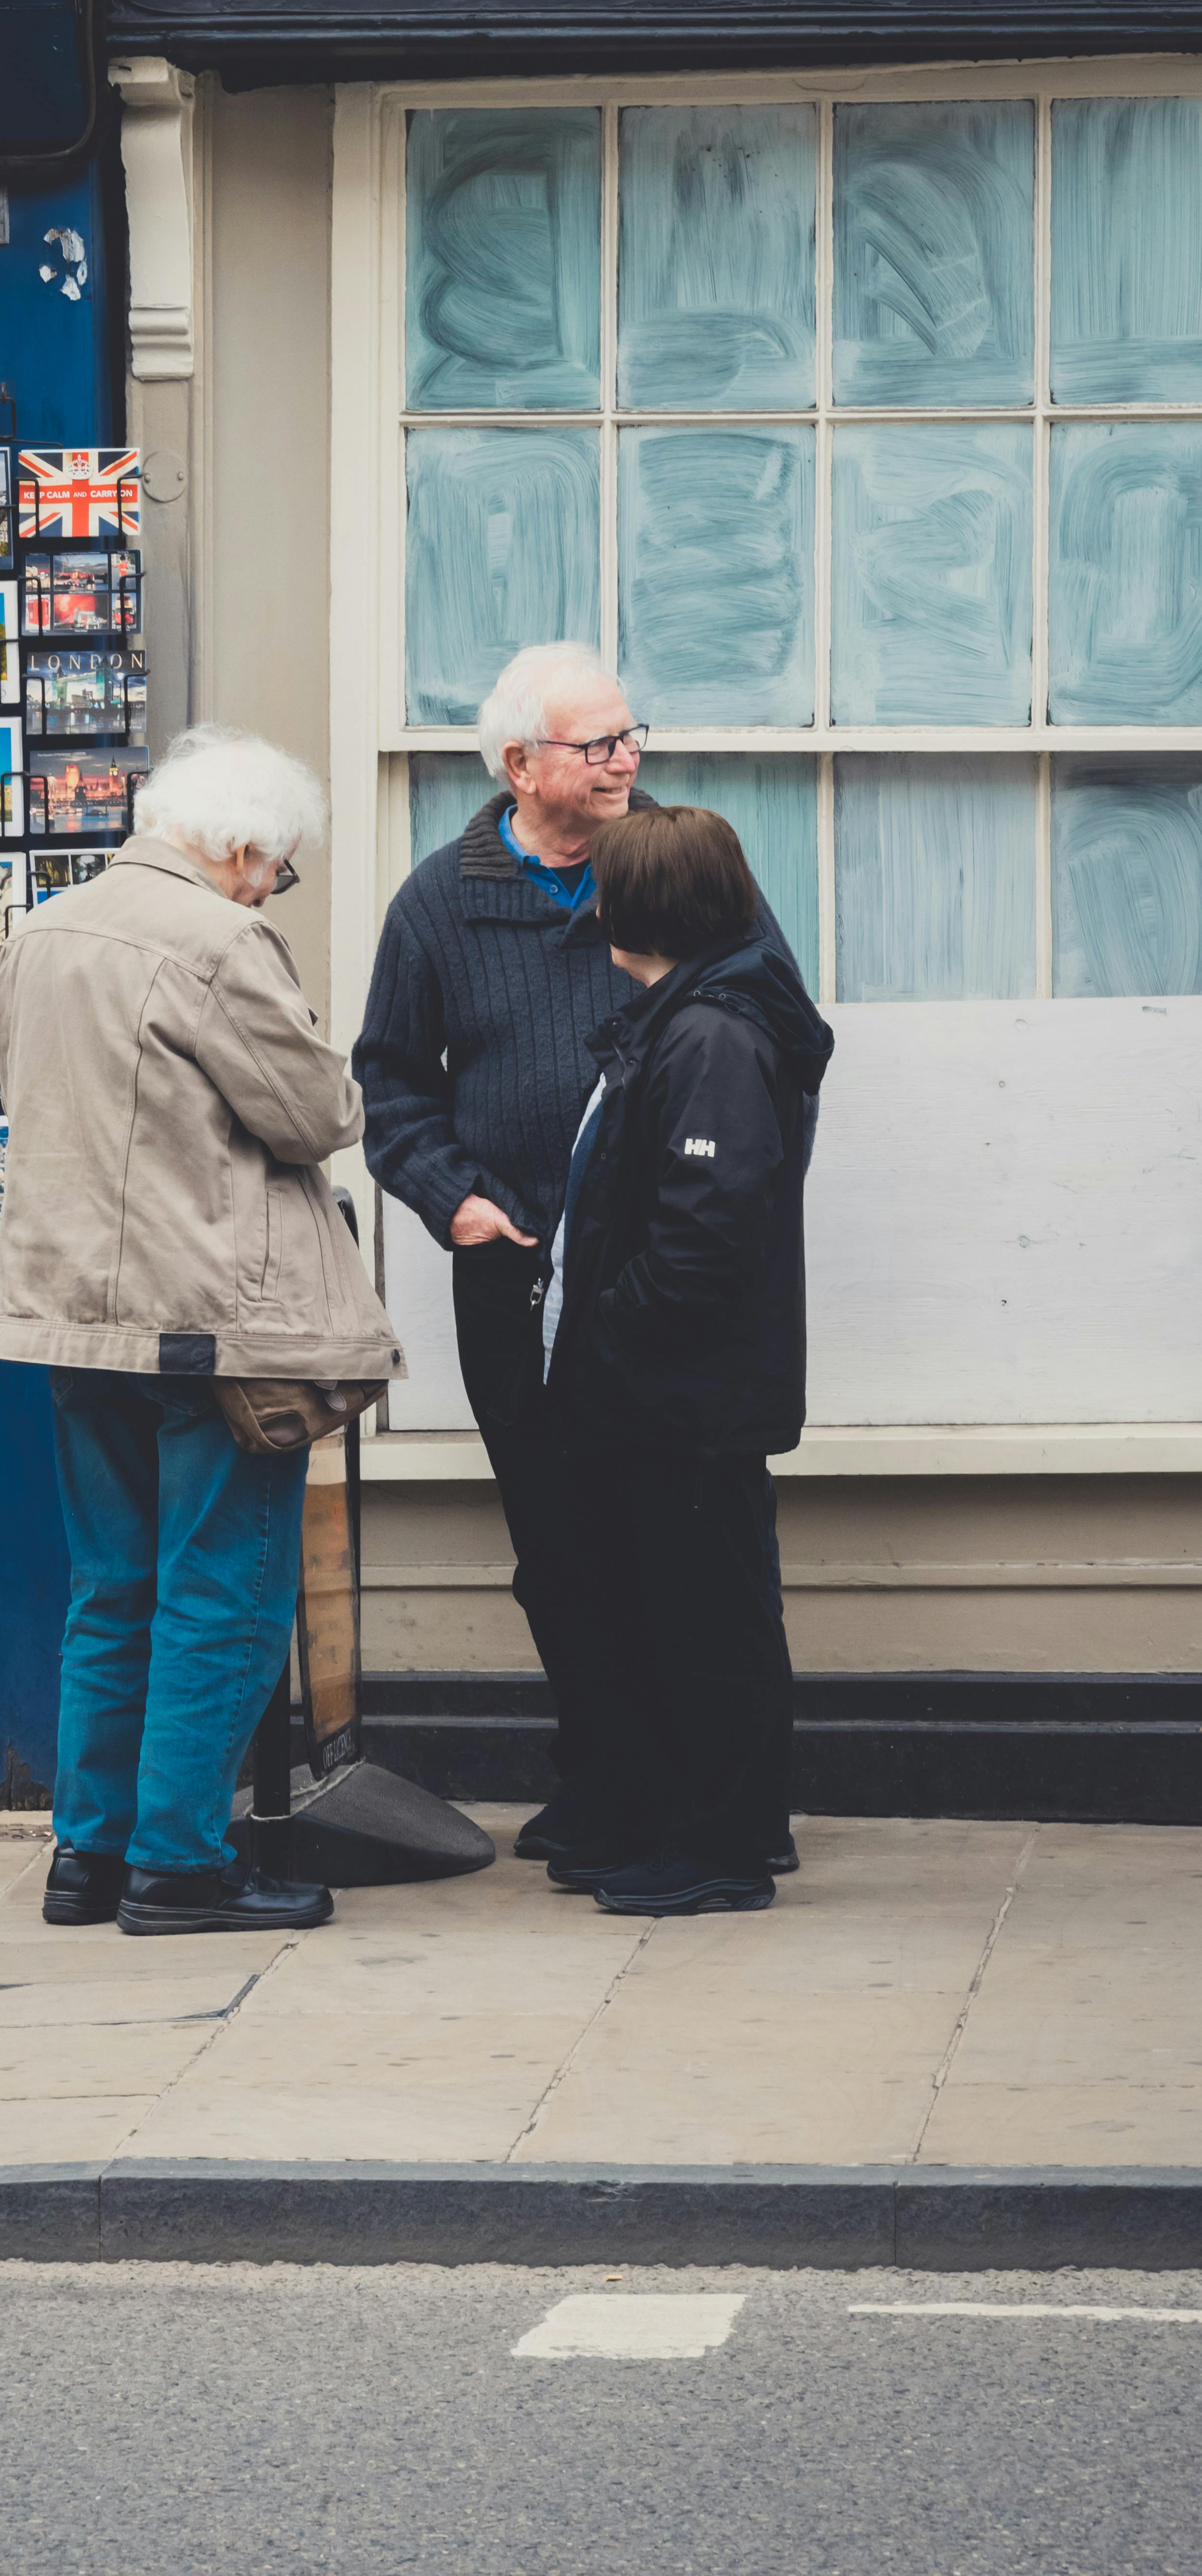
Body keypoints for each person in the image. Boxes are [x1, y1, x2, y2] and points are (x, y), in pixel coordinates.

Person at [0, 726, 403, 1938]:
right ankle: (180, 1862)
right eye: (276, 871)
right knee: (221, 1590)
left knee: (111, 1588)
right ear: (236, 848)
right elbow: (317, 1112)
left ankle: (90, 1856)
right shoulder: (220, 940)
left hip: (69, 1313)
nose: (273, 890)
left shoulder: (41, 927)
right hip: (206, 1321)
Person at [353, 642, 650, 1859]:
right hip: (510, 1272)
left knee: (662, 1528)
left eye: (632, 736)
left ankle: (682, 1787)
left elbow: (776, 1024)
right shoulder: (438, 899)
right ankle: (597, 1776)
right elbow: (386, 1086)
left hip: (650, 1272)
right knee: (553, 1535)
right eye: (599, 744)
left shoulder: (671, 867)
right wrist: (457, 1202)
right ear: (521, 767)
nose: (627, 758)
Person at [543, 804, 834, 1915]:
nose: (591, 899)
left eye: (604, 884)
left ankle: (719, 1849)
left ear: (644, 905)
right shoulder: (680, 1018)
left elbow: (705, 1233)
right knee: (681, 1608)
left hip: (685, 1397)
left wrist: (612, 1333)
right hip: (665, 1393)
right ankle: (695, 1824)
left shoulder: (712, 1036)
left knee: (707, 1621)